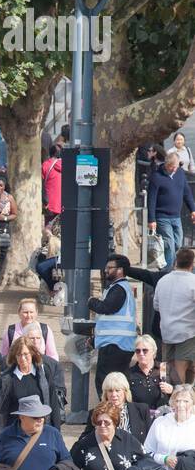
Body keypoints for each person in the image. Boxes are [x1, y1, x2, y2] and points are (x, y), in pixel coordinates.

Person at [0, 336, 65, 437]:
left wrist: (56, 433)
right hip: (16, 434)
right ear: (15, 357)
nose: (23, 359)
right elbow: (0, 407)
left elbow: (53, 403)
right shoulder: (7, 379)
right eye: (19, 355)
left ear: (32, 354)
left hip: (40, 431)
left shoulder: (44, 374)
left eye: (26, 354)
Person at [88, 254, 138, 397]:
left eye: (110, 268)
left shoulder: (119, 288)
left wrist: (92, 302)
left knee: (107, 383)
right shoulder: (119, 288)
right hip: (117, 343)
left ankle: (109, 412)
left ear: (120, 270)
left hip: (115, 344)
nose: (106, 270)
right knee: (114, 383)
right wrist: (95, 340)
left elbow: (107, 308)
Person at [147, 148, 195, 268]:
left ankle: (171, 266)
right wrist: (151, 219)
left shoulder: (180, 173)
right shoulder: (156, 177)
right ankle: (167, 272)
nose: (174, 169)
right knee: (169, 244)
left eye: (176, 167)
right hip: (162, 217)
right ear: (166, 164)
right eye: (171, 167)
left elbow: (186, 193)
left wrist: (192, 209)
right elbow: (151, 199)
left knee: (178, 244)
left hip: (176, 216)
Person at [153, 246, 195, 383]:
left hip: (167, 333)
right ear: (192, 263)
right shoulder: (192, 281)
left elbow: (156, 306)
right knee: (180, 371)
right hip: (188, 333)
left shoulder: (163, 281)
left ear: (176, 262)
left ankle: (170, 398)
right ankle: (181, 400)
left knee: (167, 369)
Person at [127, 334, 178, 411]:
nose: (141, 353)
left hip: (162, 417)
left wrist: (172, 390)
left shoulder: (165, 368)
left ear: (153, 352)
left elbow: (183, 391)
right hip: (139, 416)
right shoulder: (130, 373)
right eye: (138, 351)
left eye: (145, 350)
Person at [41, 144, 63, 220]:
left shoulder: (45, 165)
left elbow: (40, 183)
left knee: (48, 227)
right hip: (63, 203)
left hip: (49, 203)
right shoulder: (67, 165)